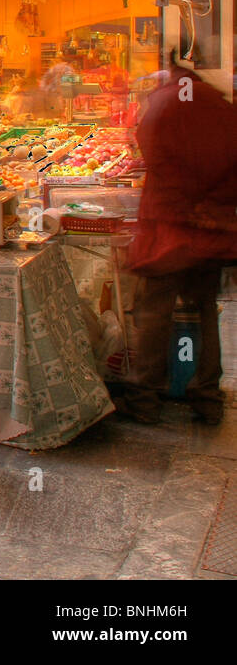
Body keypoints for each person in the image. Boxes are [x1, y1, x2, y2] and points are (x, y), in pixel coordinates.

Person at [121, 50, 237, 425]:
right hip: (210, 228)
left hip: (168, 228)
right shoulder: (218, 105)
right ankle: (207, 398)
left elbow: (151, 152)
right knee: (204, 311)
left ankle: (145, 399)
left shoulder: (164, 103)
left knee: (154, 313)